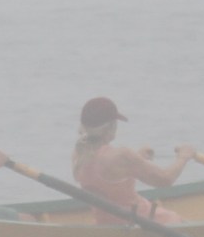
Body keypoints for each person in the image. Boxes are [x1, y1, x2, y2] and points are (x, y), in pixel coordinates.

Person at [71, 96, 196, 225]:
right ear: (111, 126)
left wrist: (138, 158)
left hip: (106, 226)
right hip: (141, 223)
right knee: (176, 219)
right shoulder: (122, 156)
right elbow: (165, 179)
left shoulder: (79, 155)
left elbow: (109, 174)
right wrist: (183, 156)